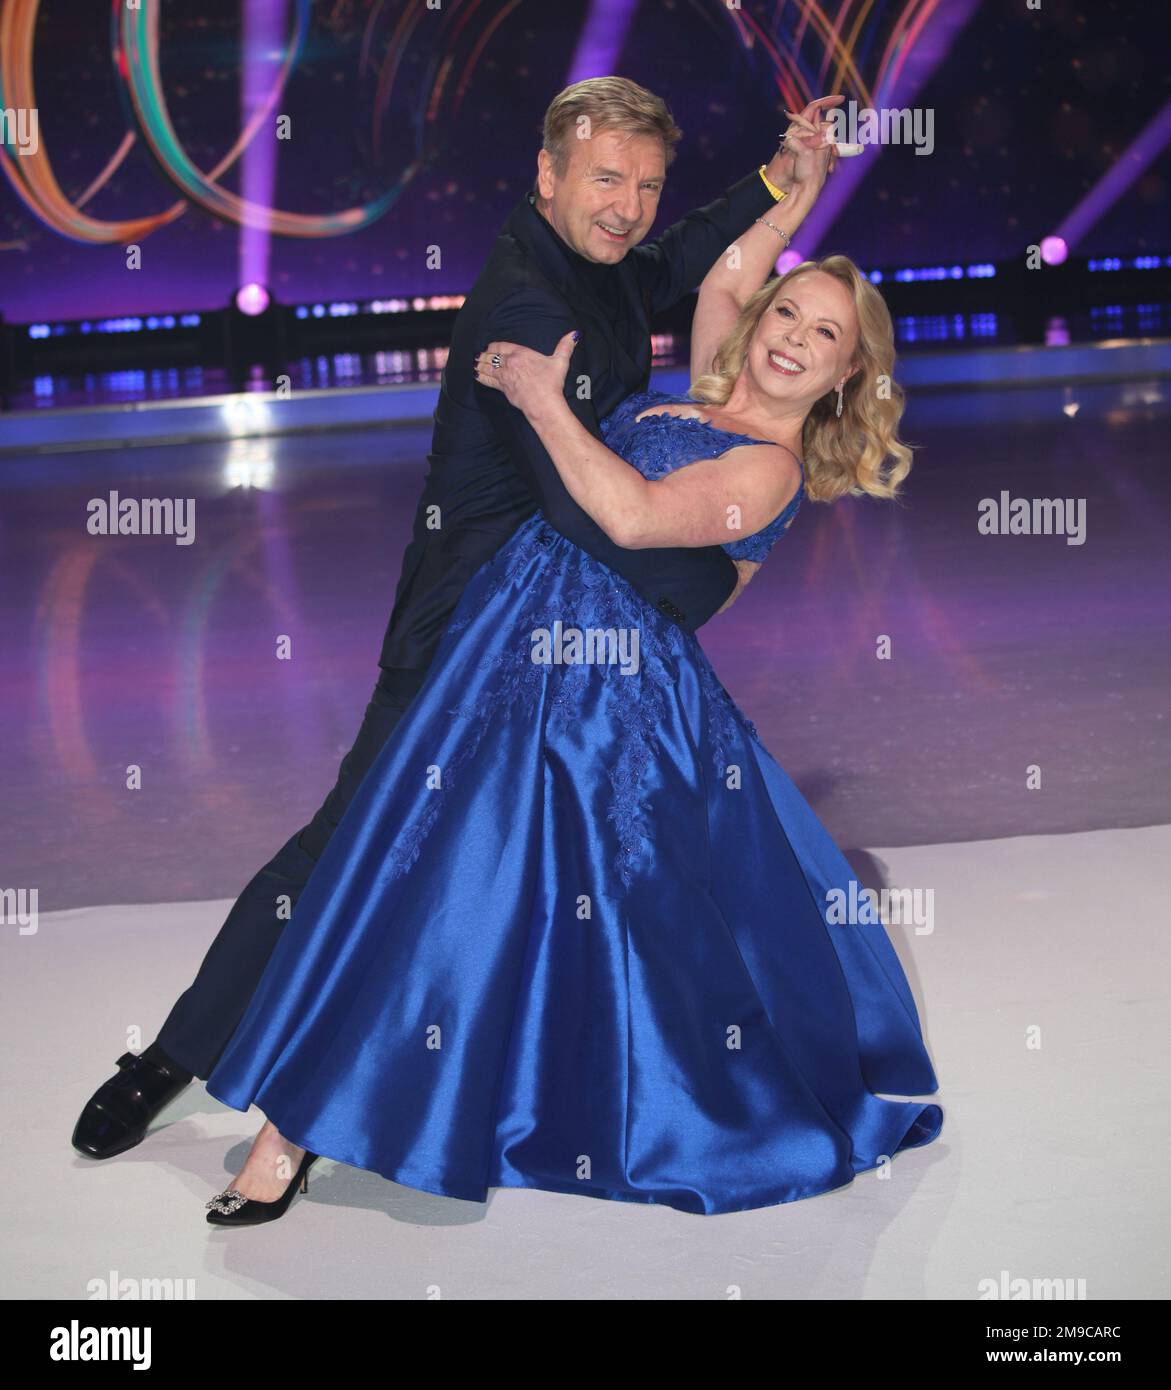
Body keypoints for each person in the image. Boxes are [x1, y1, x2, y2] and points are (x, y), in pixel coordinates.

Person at [198, 107, 942, 1224]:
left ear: (845, 377)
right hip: (509, 636)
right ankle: (326, 1110)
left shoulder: (772, 469)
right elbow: (735, 263)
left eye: (825, 336)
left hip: (603, 694)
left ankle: (296, 1128)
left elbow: (637, 519)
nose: (790, 334)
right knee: (411, 866)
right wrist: (795, 179)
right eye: (789, 310)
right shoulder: (708, 382)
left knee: (450, 884)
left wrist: (545, 401)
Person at [71, 77, 821, 1161]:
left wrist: (771, 179)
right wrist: (719, 575)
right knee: (349, 849)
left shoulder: (593, 261)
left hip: (554, 630)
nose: (628, 206)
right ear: (548, 174)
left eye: (645, 184)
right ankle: (174, 1057)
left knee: (514, 868)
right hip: (467, 629)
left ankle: (520, 1080)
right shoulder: (528, 305)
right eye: (605, 179)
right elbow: (585, 512)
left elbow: (671, 260)